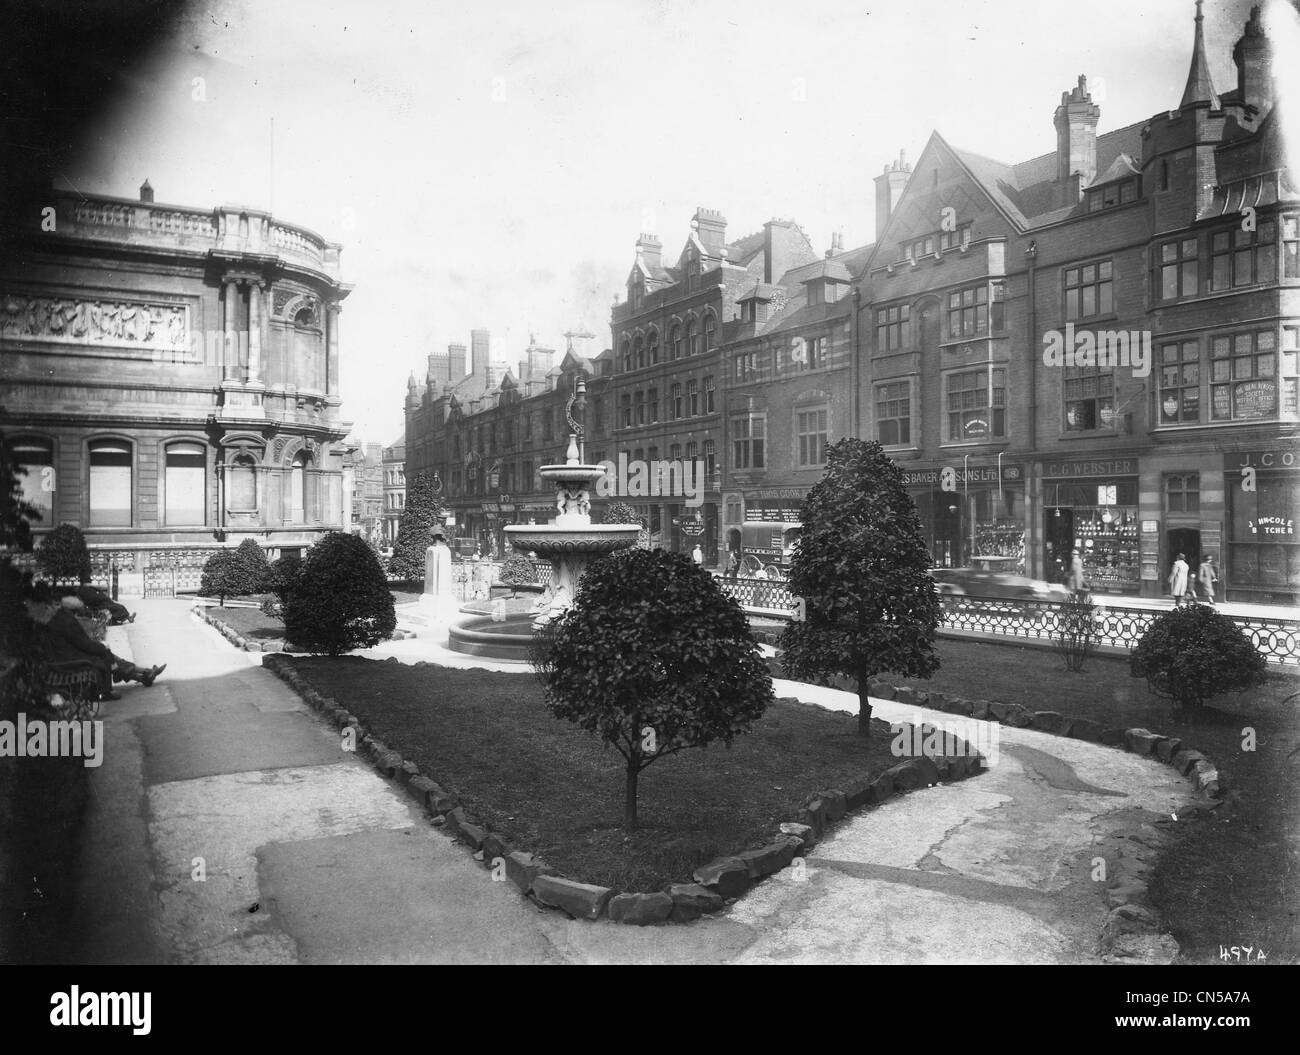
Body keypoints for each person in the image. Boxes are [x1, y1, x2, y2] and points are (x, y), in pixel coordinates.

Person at [43, 596, 166, 700]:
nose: (78, 615)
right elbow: (84, 644)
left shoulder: (58, 619)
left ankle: (144, 675)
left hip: (65, 656)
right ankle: (141, 675)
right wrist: (101, 647)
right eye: (77, 612)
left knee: (111, 657)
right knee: (106, 654)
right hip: (71, 659)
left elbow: (80, 643)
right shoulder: (67, 621)